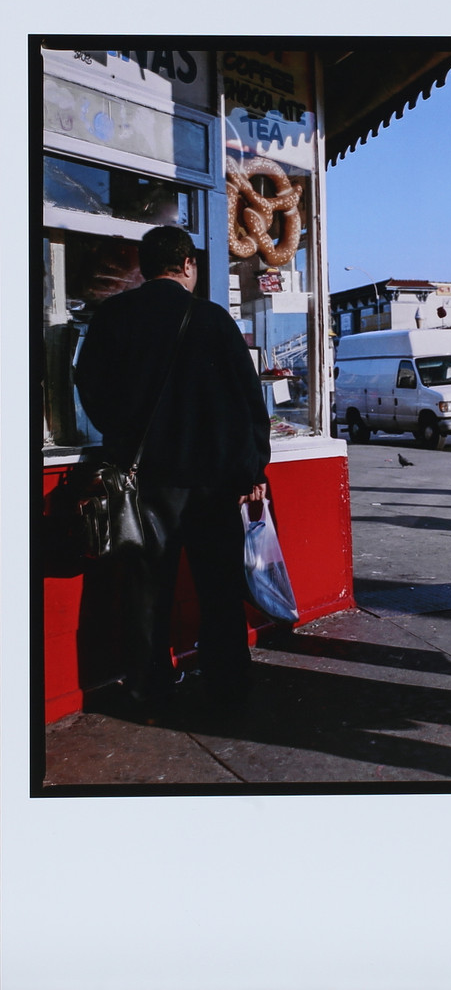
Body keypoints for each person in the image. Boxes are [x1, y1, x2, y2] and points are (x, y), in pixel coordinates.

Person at [75, 226, 271, 712]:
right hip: (211, 483)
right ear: (188, 265)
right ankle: (227, 685)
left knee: (146, 592)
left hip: (144, 484)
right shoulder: (213, 320)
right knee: (220, 589)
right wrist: (253, 469)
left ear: (144, 267)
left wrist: (123, 437)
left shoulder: (113, 317)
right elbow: (249, 404)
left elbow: (89, 388)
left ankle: (148, 691)